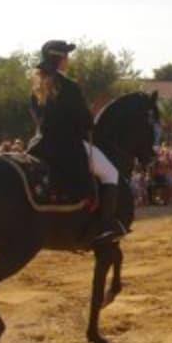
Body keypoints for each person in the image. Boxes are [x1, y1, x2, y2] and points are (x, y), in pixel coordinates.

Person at [27, 40, 121, 244]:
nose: (68, 60)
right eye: (67, 56)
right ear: (60, 58)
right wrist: (92, 114)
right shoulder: (69, 86)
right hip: (67, 146)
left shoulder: (36, 85)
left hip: (40, 145)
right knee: (111, 173)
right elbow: (85, 122)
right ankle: (105, 227)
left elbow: (37, 118)